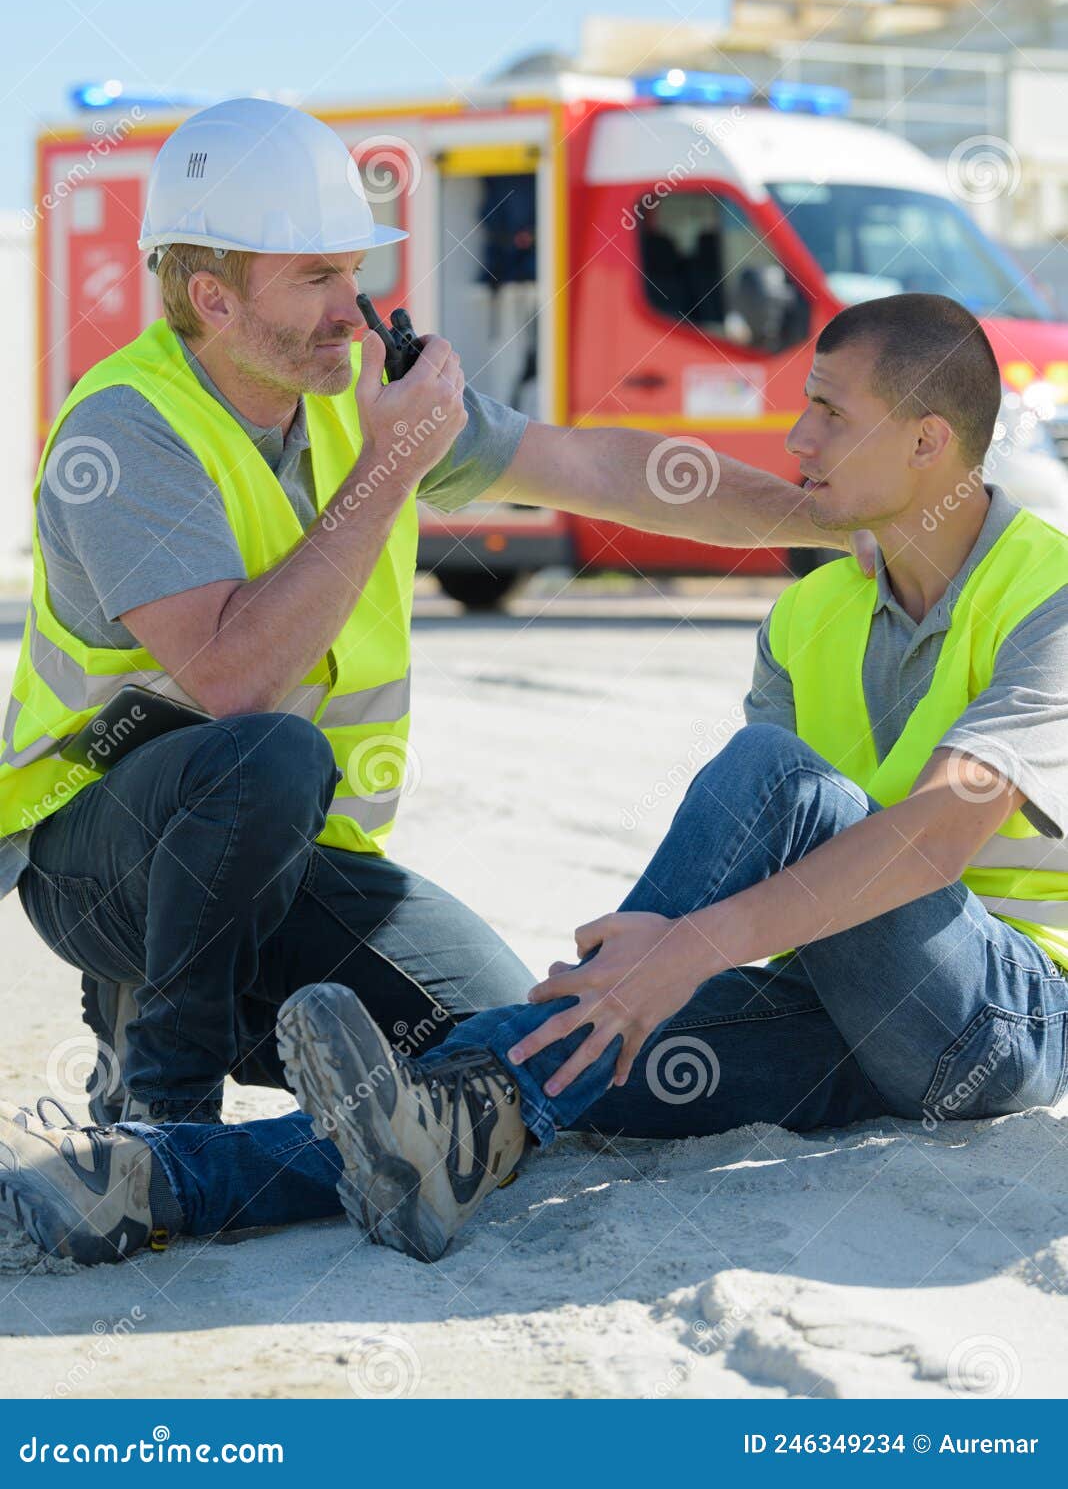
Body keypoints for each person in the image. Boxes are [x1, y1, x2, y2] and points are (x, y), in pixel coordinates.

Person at [4, 290, 1065, 1269]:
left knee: (768, 785)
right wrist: (630, 996)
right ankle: (162, 1180)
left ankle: (473, 1097)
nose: (796, 440)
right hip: (836, 1012)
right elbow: (605, 474)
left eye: (831, 414)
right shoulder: (804, 617)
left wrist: (681, 951)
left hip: (1001, 1015)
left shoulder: (1049, 589)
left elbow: (934, 837)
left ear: (930, 442)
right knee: (550, 1059)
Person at [0, 97, 846, 1130]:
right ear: (214, 299)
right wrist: (394, 462)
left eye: (356, 271)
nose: (354, 310)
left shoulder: (355, 390)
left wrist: (829, 520)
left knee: (501, 1028)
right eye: (317, 278)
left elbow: (592, 466)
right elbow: (232, 682)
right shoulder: (128, 429)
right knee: (266, 753)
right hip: (101, 860)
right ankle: (163, 1111)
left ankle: (240, 1023)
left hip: (290, 857)